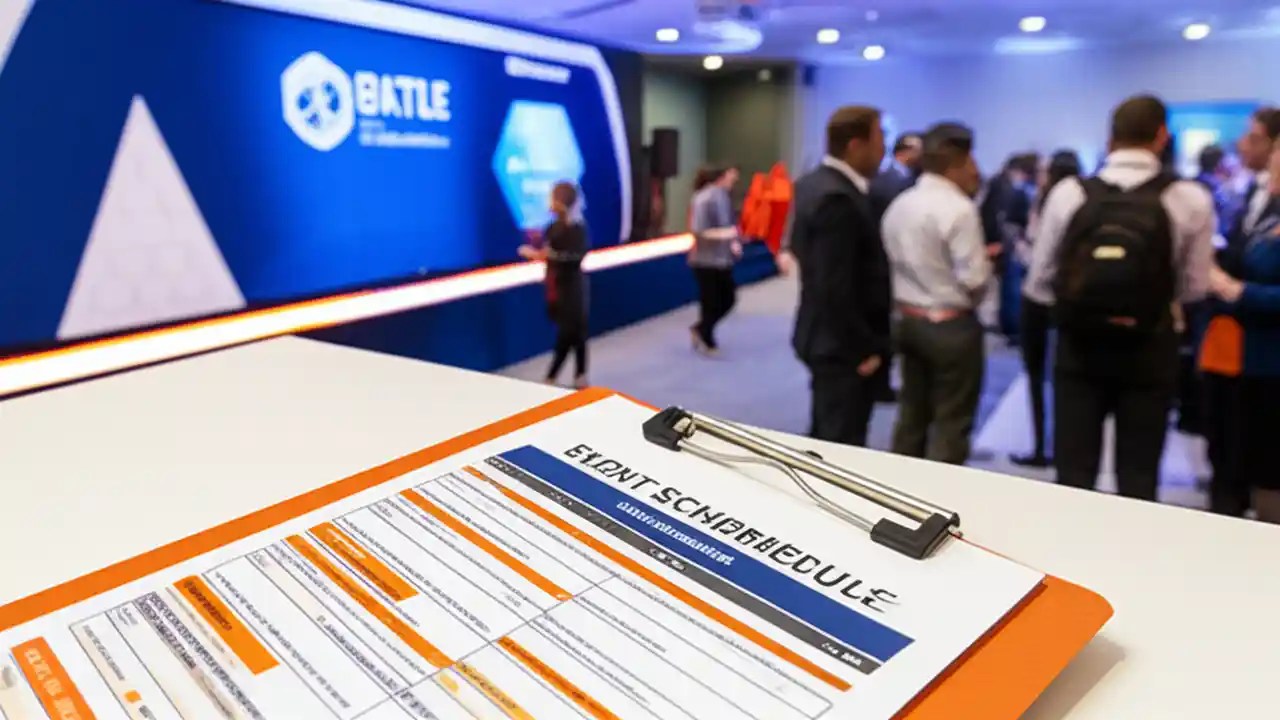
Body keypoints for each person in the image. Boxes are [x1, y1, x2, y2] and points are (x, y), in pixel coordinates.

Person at [1026, 95, 1216, 501]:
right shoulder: (1188, 198)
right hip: (1150, 346)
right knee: (1139, 475)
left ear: (1110, 137)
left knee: (1073, 476)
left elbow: (1040, 280)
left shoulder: (1069, 193)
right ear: (1162, 136)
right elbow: (1196, 287)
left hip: (1079, 347)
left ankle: (1066, 560)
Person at [882, 123, 991, 464]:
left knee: (911, 415)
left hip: (907, 321)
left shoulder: (900, 204)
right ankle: (937, 504)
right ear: (957, 163)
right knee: (951, 421)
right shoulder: (959, 208)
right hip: (951, 326)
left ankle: (897, 494)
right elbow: (973, 279)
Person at [790, 106, 891, 447]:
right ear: (855, 145)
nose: (884, 150)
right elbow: (834, 287)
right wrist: (864, 349)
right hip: (841, 348)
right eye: (880, 139)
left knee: (826, 432)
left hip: (823, 337)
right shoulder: (838, 199)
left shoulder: (813, 183)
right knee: (840, 444)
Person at [1200, 107, 1280, 515]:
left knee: (1266, 469)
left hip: (1268, 359)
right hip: (1240, 354)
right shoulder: (1257, 198)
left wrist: (1239, 290)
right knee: (1231, 456)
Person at [1013, 150, 1081, 468]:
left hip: (1040, 301)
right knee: (1065, 381)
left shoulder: (1050, 200)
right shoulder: (1084, 196)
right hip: (1073, 301)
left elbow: (1041, 256)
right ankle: (1063, 447)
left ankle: (1042, 445)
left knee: (1037, 377)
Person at [518, 182, 591, 388]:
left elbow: (574, 257)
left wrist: (541, 255)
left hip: (574, 284)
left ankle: (557, 375)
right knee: (573, 330)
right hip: (557, 285)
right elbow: (549, 252)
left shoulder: (578, 228)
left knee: (573, 329)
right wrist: (538, 251)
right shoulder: (553, 227)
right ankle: (579, 375)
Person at [688, 165, 742, 355]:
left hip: (722, 259)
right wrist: (725, 234)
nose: (734, 182)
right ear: (721, 177)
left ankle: (701, 329)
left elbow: (729, 224)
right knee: (711, 301)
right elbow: (699, 231)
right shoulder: (703, 199)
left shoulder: (724, 197)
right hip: (705, 260)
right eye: (732, 178)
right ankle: (707, 337)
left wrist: (733, 242)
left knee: (728, 298)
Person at [869, 132, 923, 222]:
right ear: (901, 152)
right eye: (916, 149)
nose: (920, 153)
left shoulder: (919, 176)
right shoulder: (881, 181)